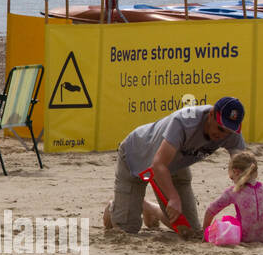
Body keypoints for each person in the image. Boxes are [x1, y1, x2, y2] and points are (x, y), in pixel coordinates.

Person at [105, 96, 246, 236]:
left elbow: (242, 164)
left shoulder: (230, 132)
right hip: (137, 157)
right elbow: (158, 165)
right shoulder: (184, 122)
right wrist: (173, 198)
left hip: (173, 165)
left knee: (188, 229)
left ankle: (148, 207)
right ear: (211, 115)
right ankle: (114, 207)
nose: (224, 135)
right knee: (126, 230)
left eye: (229, 131)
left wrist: (247, 186)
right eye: (220, 129)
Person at [202, 150, 263, 243]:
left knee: (226, 221)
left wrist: (205, 233)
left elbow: (210, 211)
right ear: (256, 172)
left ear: (236, 172)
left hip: (243, 238)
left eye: (232, 178)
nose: (232, 180)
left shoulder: (234, 191)